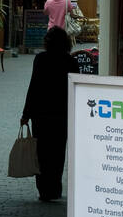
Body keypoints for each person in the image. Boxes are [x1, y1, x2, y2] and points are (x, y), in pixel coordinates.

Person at [21, 26, 79, 201]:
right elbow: (76, 90)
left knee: (42, 152)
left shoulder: (41, 59)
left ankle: (44, 190)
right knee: (58, 152)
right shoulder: (71, 62)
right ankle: (55, 188)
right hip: (62, 114)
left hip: (42, 114)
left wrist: (26, 114)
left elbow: (34, 87)